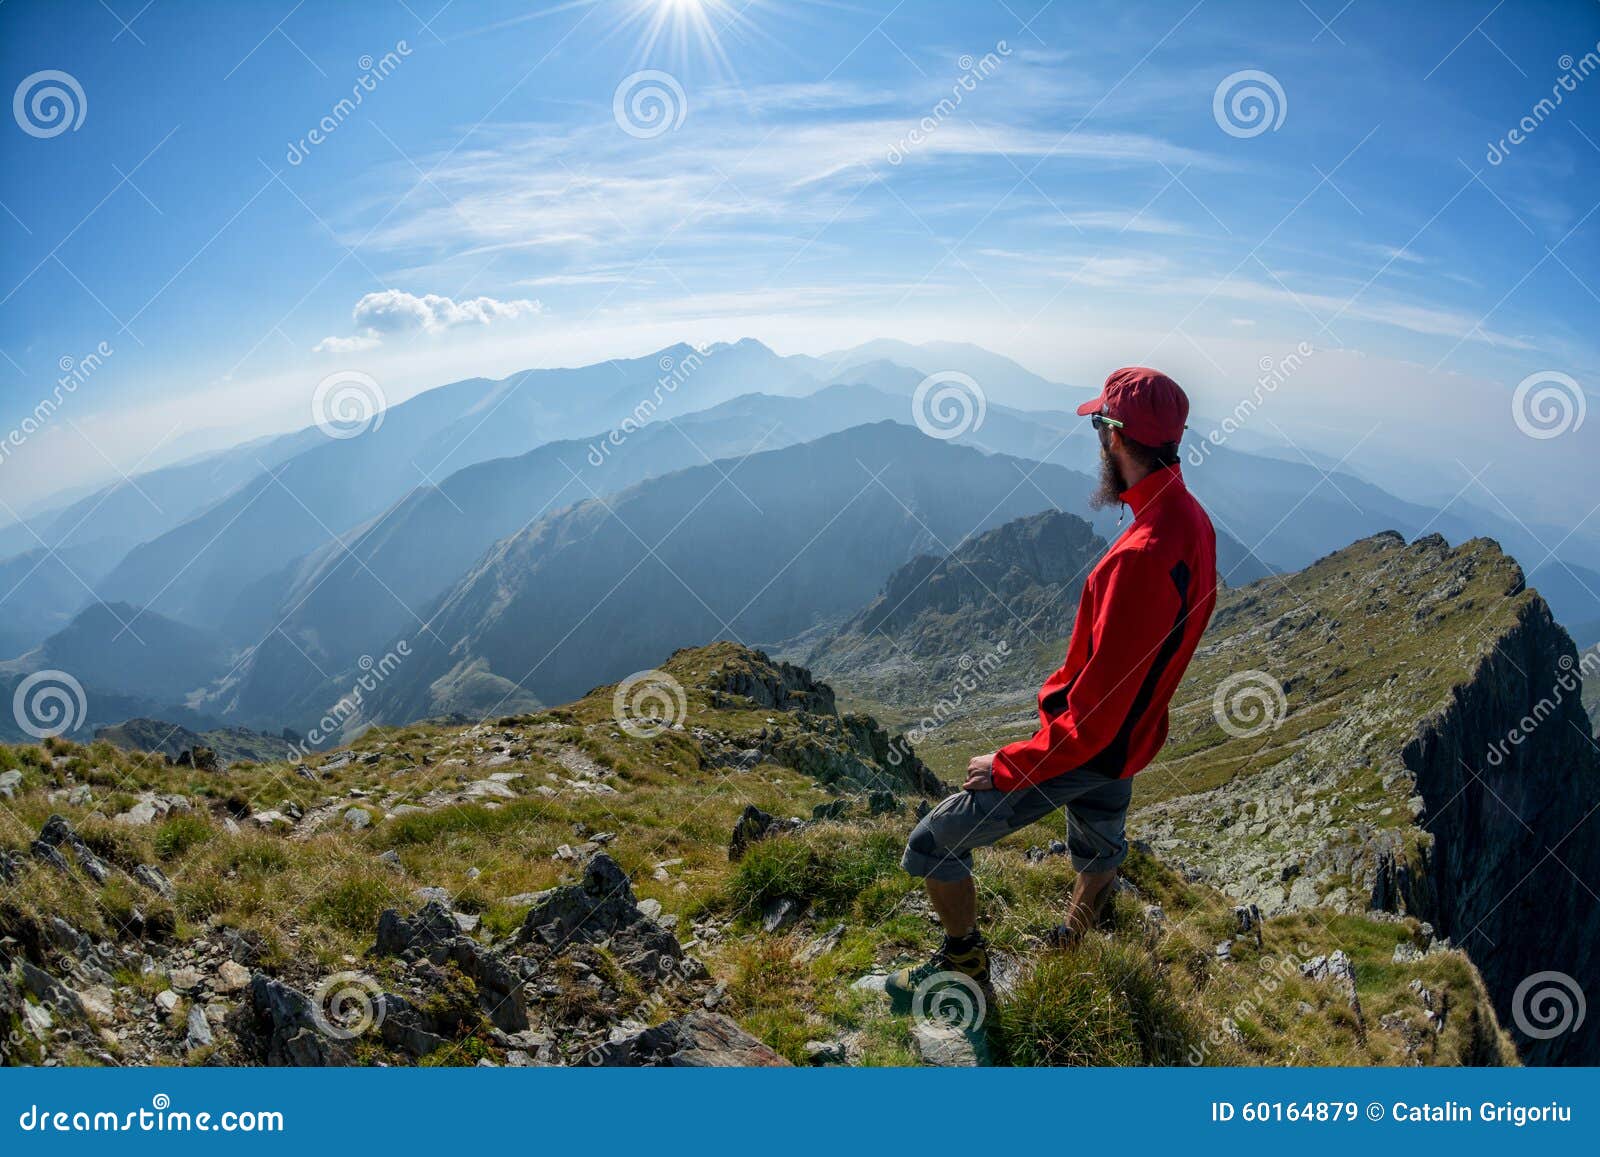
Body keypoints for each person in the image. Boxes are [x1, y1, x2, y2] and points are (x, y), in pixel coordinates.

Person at [887, 367, 1218, 1002]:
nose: (1097, 442)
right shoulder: (1191, 521)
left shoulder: (1141, 555)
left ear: (1115, 435)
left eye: (1099, 427)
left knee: (933, 844)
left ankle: (964, 966)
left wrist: (1010, 764)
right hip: (1132, 740)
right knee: (1101, 846)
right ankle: (1074, 937)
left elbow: (1095, 716)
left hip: (1089, 747)